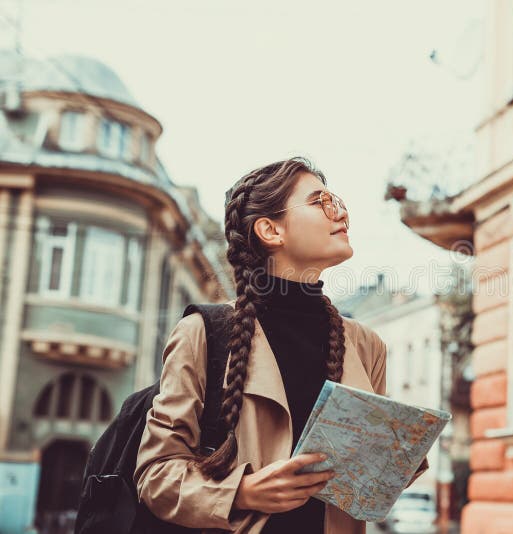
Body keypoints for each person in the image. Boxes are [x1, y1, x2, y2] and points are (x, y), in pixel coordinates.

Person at [134, 157, 428, 533]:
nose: (341, 214)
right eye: (319, 201)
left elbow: (362, 488)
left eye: (336, 200)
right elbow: (156, 475)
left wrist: (394, 460)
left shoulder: (367, 345)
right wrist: (241, 493)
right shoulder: (203, 331)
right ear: (271, 230)